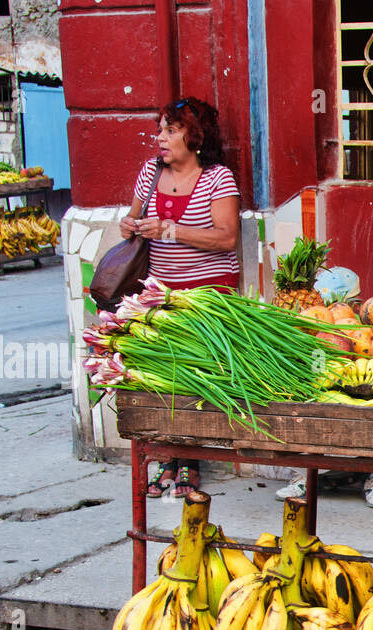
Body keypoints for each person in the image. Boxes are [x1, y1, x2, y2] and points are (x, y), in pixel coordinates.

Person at [119, 96, 240, 498]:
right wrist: (130, 225)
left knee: (195, 378)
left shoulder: (217, 178)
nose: (161, 138)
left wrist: (170, 230)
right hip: (160, 295)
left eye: (170, 130)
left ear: (195, 136)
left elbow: (226, 238)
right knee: (165, 377)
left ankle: (189, 462)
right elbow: (135, 219)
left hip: (207, 296)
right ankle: (168, 458)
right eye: (160, 129)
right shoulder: (150, 173)